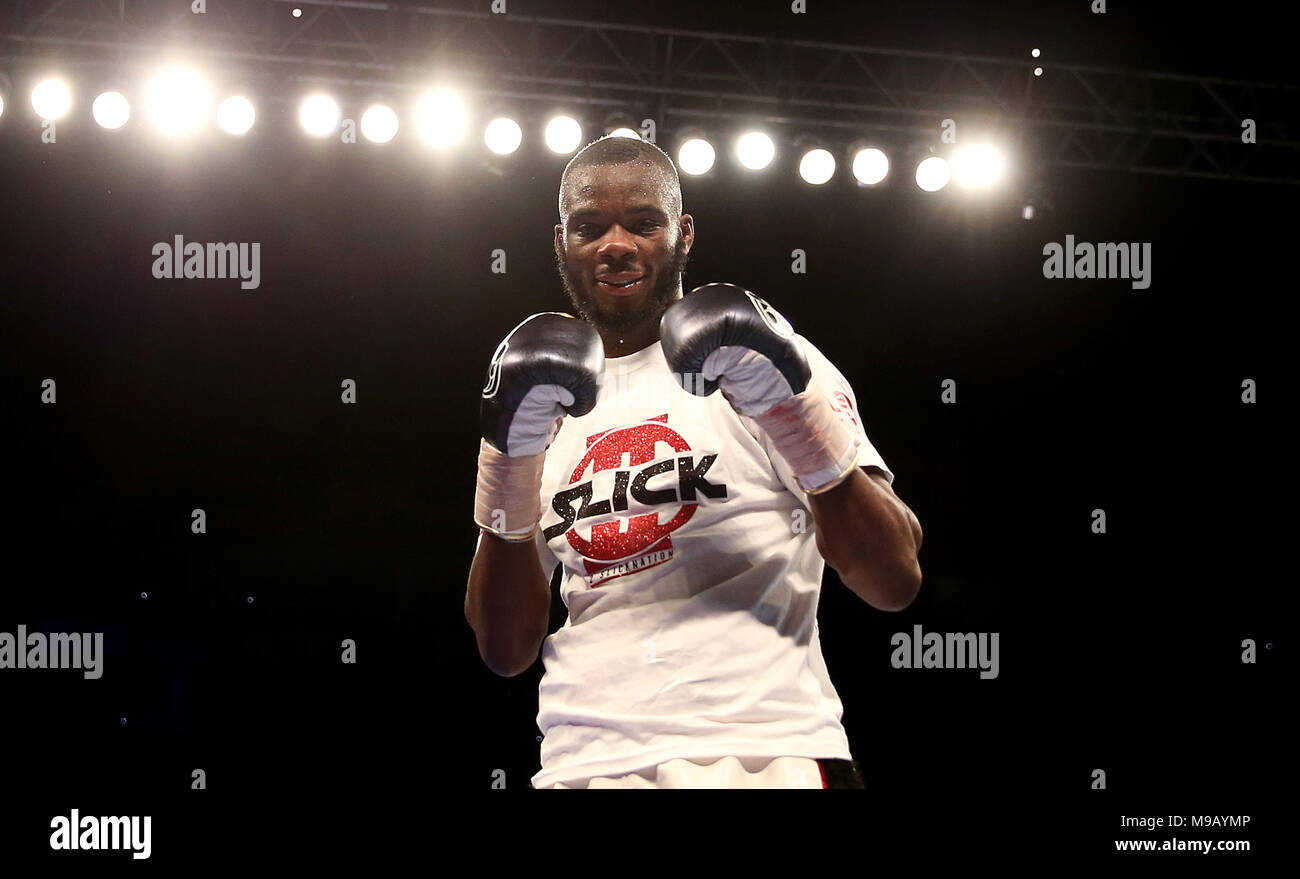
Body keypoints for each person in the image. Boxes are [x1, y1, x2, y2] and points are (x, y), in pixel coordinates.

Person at [465, 135, 923, 789]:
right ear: (561, 241)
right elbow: (505, 650)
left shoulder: (764, 354)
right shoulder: (539, 398)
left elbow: (894, 577)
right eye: (591, 226)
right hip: (583, 767)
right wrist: (507, 463)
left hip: (765, 754)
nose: (616, 244)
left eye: (642, 222)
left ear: (682, 234)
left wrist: (792, 415)